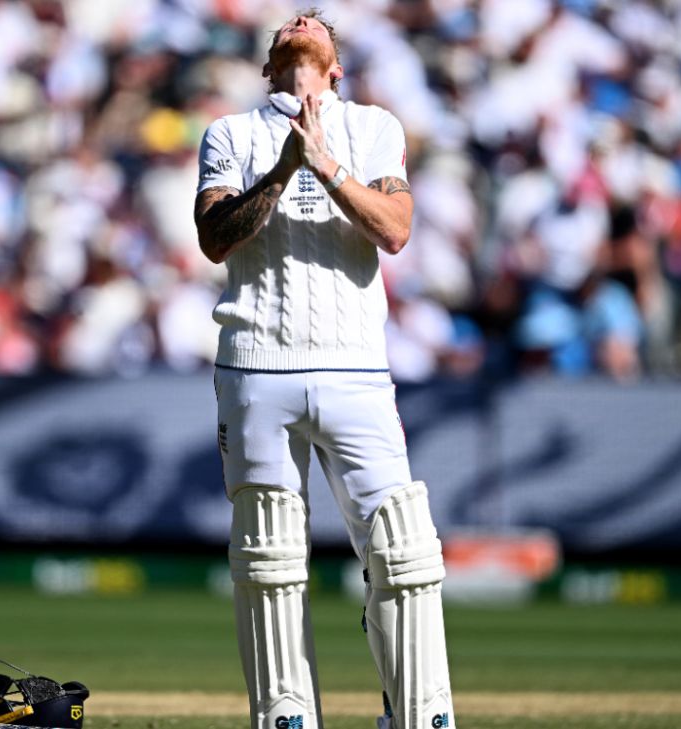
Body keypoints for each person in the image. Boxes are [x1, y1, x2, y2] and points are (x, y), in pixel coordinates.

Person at [193, 11, 455, 729]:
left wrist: (324, 163)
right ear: (270, 65)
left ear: (335, 64)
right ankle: (287, 718)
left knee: (402, 548)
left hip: (356, 369)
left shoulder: (374, 127)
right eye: (288, 25)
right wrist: (282, 167)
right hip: (255, 365)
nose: (301, 20)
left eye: (315, 23)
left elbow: (395, 230)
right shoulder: (231, 134)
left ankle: (421, 716)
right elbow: (215, 238)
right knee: (269, 554)